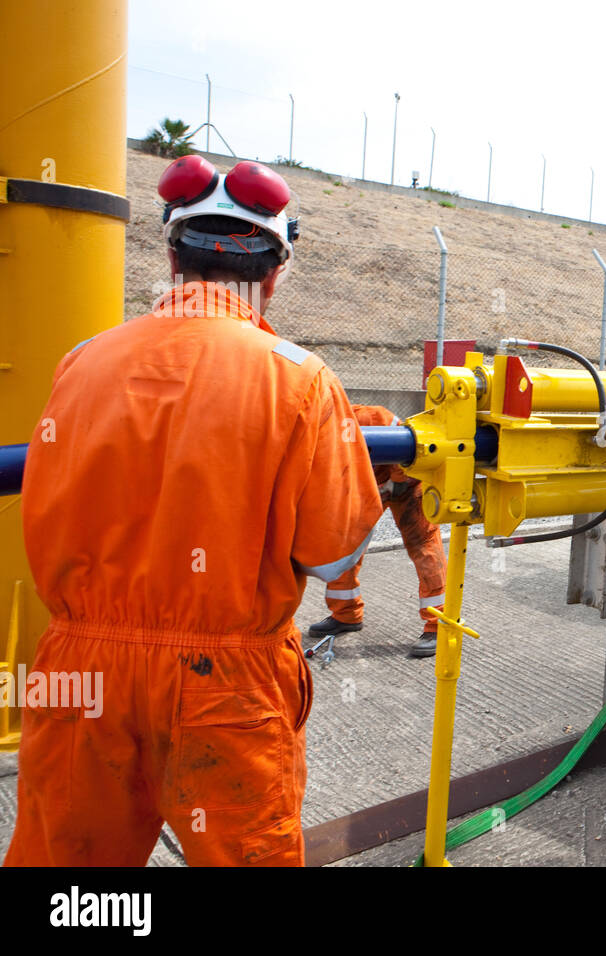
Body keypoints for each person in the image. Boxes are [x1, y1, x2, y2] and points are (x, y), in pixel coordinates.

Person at [4, 155, 382, 866]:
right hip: (223, 686)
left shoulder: (82, 360)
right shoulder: (300, 379)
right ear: (275, 273)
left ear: (172, 256)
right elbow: (333, 556)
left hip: (79, 671)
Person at [307, 403, 448, 658]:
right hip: (368, 485)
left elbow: (406, 444)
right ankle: (346, 614)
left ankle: (438, 625)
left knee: (423, 546)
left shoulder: (369, 418)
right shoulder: (311, 435)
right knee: (343, 545)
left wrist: (397, 482)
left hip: (407, 481)